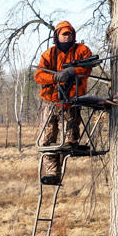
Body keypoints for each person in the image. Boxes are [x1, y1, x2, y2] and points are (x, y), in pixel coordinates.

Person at [33, 21, 94, 185]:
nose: (67, 37)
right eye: (64, 34)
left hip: (70, 102)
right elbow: (38, 75)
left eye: (69, 34)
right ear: (57, 36)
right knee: (46, 141)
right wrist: (55, 77)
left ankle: (65, 160)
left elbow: (89, 66)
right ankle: (52, 174)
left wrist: (72, 71)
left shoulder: (82, 50)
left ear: (74, 35)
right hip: (50, 101)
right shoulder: (48, 55)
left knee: (69, 142)